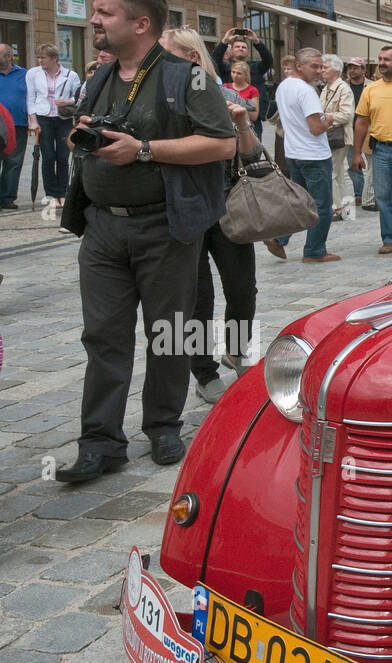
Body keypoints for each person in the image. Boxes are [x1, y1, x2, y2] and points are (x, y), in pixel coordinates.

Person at [56, 0, 234, 484]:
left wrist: (144, 150)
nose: (94, 20)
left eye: (104, 12)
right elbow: (88, 133)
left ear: (140, 24)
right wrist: (83, 136)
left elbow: (222, 144)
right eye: (93, 12)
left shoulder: (186, 77)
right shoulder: (100, 76)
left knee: (170, 331)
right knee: (103, 336)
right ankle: (100, 443)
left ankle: (162, 425)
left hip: (165, 226)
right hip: (102, 229)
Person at [160, 25, 260, 399]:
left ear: (191, 58)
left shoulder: (224, 93)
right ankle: (203, 372)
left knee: (242, 289)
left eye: (165, 54)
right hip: (183, 207)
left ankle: (236, 352)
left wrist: (241, 125)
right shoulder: (160, 98)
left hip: (227, 204)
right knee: (198, 296)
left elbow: (251, 153)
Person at [273, 48, 337, 263]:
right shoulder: (306, 91)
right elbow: (316, 128)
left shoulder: (284, 86)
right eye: (314, 66)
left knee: (298, 202)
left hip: (293, 152)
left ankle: (279, 238)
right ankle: (314, 251)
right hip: (314, 155)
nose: (319, 71)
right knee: (322, 206)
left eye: (321, 66)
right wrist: (328, 120)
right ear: (299, 66)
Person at [352, 45, 392, 255]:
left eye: (387, 59)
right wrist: (356, 153)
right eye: (380, 59)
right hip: (380, 151)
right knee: (383, 198)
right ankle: (390, 239)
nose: (381, 63)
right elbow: (361, 122)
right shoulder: (370, 89)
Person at [26, 43, 80, 210]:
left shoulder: (71, 75)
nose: (40, 60)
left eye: (43, 57)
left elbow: (79, 99)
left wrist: (68, 101)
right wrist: (33, 120)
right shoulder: (33, 74)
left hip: (63, 118)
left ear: (54, 58)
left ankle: (63, 193)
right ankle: (50, 193)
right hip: (43, 118)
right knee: (48, 157)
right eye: (38, 57)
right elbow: (30, 98)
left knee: (63, 157)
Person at [319, 54, 354, 220]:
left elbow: (347, 115)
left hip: (339, 136)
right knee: (340, 172)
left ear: (336, 70)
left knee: (331, 172)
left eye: (325, 67)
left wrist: (326, 117)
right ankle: (347, 210)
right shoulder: (326, 88)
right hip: (331, 135)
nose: (322, 70)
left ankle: (337, 208)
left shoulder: (343, 88)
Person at [0, 44, 28, 210]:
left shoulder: (24, 74)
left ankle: (7, 198)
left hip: (17, 125)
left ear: (9, 57)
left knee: (14, 162)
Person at [343, 57, 372, 206]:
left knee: (373, 163)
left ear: (363, 70)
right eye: (350, 67)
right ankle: (359, 193)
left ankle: (373, 193)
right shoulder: (343, 87)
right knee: (353, 163)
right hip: (350, 130)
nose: (352, 70)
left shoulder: (372, 86)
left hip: (370, 130)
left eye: (355, 67)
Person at [226, 59, 260, 136]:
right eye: (233, 72)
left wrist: (240, 106)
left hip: (245, 128)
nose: (235, 75)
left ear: (246, 75)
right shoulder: (225, 87)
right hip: (228, 128)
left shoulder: (252, 90)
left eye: (239, 73)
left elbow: (254, 116)